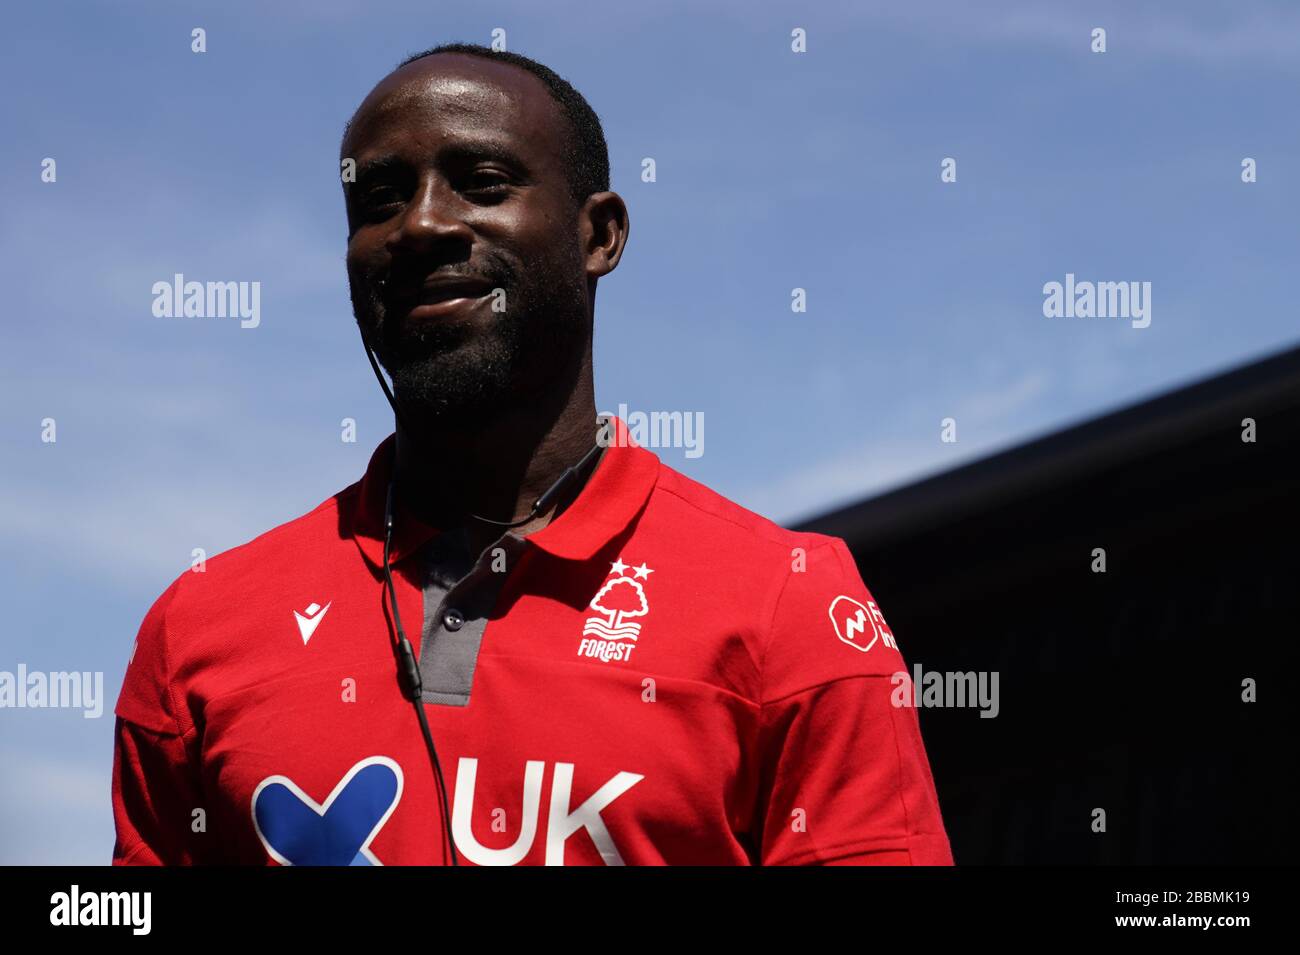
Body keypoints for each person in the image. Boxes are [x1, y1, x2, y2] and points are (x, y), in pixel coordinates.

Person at [111, 43, 953, 866]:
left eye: (482, 184)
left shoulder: (789, 606)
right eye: (379, 200)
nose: (424, 224)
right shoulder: (200, 629)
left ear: (601, 236)